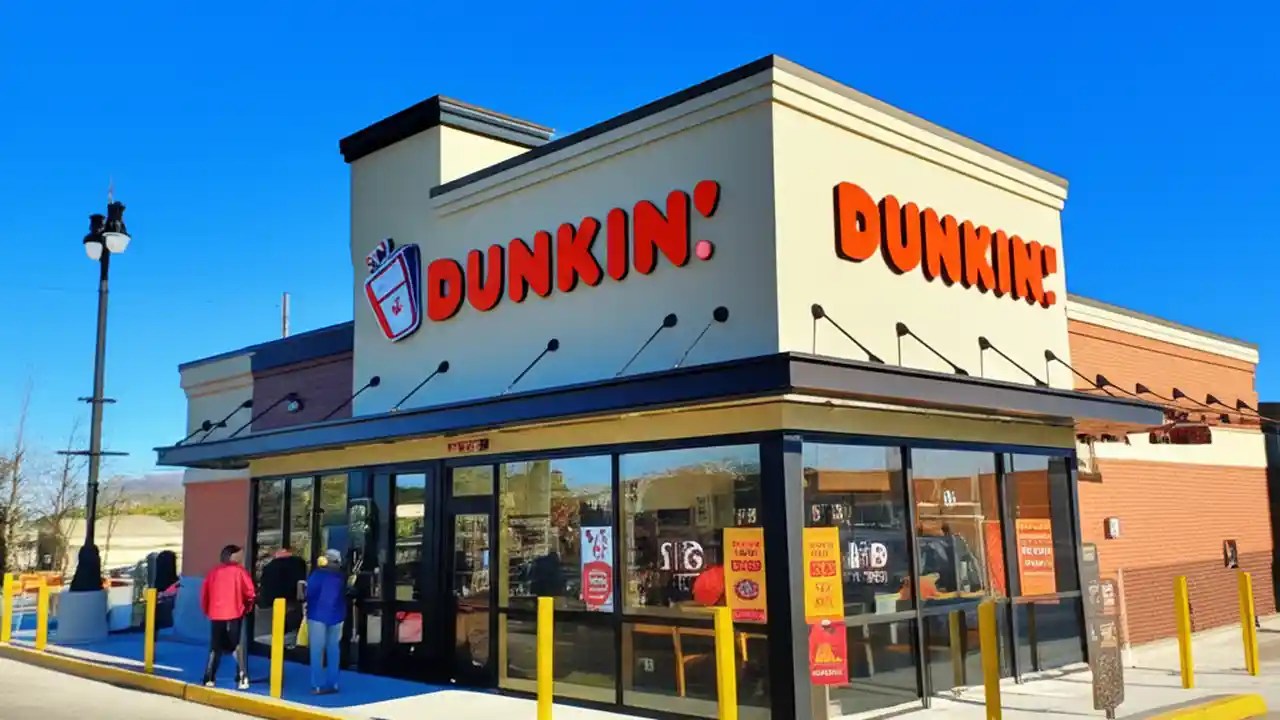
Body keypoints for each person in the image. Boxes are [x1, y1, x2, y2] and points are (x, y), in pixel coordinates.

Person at [200, 544, 256, 689]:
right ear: (232, 556)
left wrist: (208, 611)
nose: (242, 557)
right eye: (239, 555)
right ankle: (242, 677)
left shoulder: (213, 573)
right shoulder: (240, 572)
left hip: (216, 615)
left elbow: (205, 594)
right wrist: (247, 607)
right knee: (237, 646)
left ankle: (209, 678)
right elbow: (250, 592)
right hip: (234, 613)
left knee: (215, 647)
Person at [304, 549, 347, 695]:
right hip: (337, 615)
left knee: (317, 651)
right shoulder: (340, 577)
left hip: (317, 615)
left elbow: (308, 593)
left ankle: (317, 684)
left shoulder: (317, 575)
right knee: (333, 649)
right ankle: (333, 683)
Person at [258, 546, 308, 645]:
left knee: (279, 618)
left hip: (275, 598)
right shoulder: (299, 563)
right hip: (292, 596)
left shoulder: (269, 566)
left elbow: (265, 583)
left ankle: (280, 635)